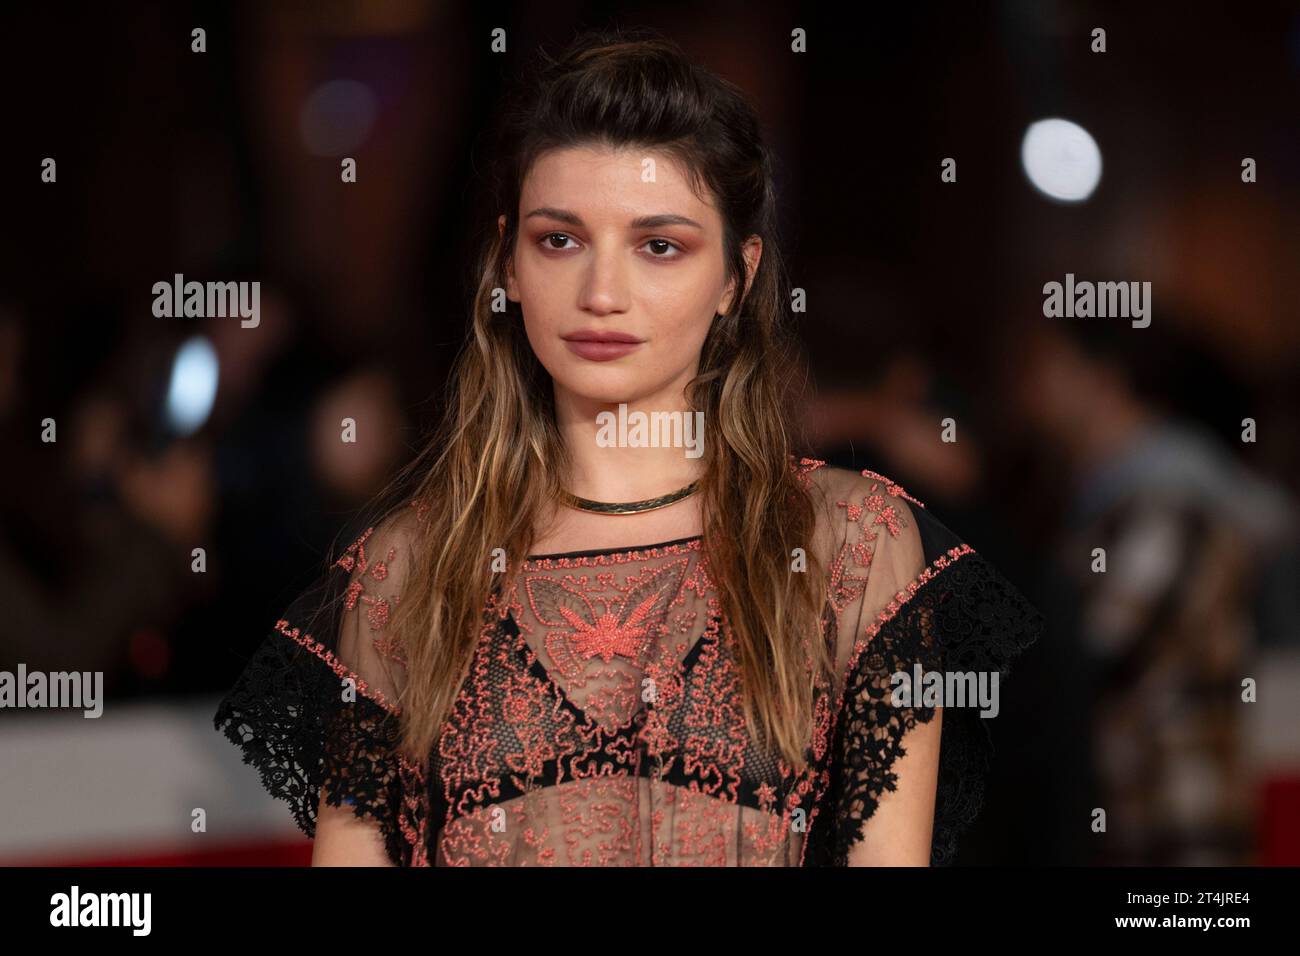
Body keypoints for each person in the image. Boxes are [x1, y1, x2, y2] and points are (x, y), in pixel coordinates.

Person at [213, 28, 1043, 867]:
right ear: (507, 262)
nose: (602, 294)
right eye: (559, 240)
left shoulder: (849, 545)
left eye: (659, 246)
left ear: (736, 278)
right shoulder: (407, 570)